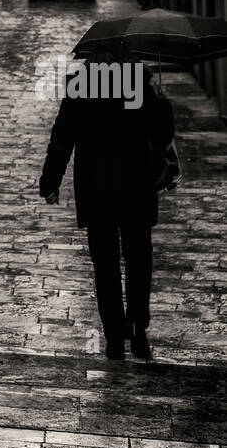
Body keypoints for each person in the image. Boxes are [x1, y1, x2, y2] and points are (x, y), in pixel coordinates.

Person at [39, 55, 175, 360]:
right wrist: (162, 106)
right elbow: (161, 137)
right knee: (139, 261)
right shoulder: (139, 85)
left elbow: (62, 139)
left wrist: (50, 181)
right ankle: (138, 329)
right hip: (136, 188)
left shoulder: (80, 86)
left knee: (106, 266)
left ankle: (114, 338)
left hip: (97, 191)